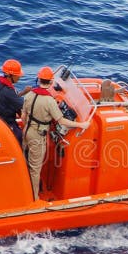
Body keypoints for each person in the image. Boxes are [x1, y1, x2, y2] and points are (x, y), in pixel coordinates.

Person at [22, 66, 90, 201]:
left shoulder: (29, 95)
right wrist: (81, 125)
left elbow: (23, 116)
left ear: (39, 79)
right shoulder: (49, 101)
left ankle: (24, 190)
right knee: (35, 169)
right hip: (38, 136)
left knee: (26, 163)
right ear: (51, 82)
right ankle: (33, 199)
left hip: (27, 132)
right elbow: (62, 120)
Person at [0, 59, 31, 143]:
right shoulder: (8, 91)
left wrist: (23, 92)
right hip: (6, 122)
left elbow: (12, 99)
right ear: (10, 75)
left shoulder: (0, 85)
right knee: (21, 137)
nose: (19, 76)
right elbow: (24, 105)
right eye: (17, 75)